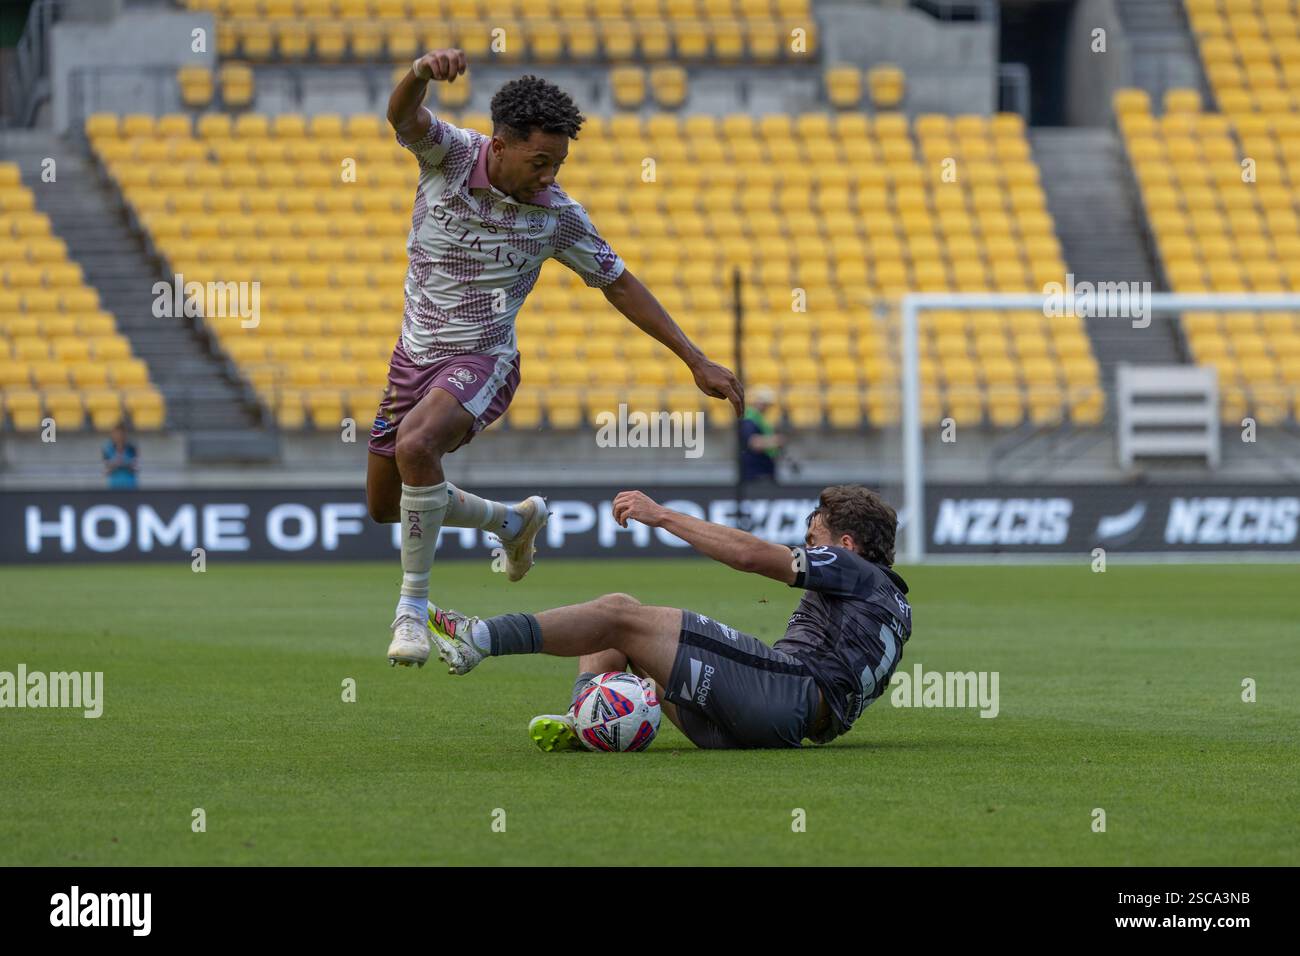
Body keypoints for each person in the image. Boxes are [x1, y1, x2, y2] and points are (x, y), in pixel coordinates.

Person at [371, 50, 744, 668]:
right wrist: (417, 73)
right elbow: (402, 117)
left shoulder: (558, 218)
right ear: (501, 144)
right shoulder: (450, 155)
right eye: (540, 161)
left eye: (559, 163)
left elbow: (619, 282)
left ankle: (411, 610)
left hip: (482, 358)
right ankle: (510, 524)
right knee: (389, 504)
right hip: (412, 357)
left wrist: (694, 358)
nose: (549, 175)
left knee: (416, 448)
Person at [426, 485, 912, 751]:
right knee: (616, 623)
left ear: (846, 546)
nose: (809, 548)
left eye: (815, 540)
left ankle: (479, 638)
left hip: (783, 693)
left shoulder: (854, 569)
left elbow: (748, 555)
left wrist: (660, 515)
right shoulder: (894, 601)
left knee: (617, 616)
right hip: (772, 721)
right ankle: (584, 718)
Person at [738, 383, 785, 484]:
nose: (767, 408)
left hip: (763, 470)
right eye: (765, 404)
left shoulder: (759, 419)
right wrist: (776, 441)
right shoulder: (750, 420)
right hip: (756, 473)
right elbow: (753, 443)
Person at [102, 422, 139, 489]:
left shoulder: (132, 448)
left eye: (121, 434)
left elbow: (136, 469)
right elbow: (106, 472)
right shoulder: (107, 449)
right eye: (116, 433)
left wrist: (125, 464)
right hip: (114, 487)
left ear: (125, 434)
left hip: (130, 486)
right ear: (112, 434)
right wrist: (116, 464)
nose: (119, 436)